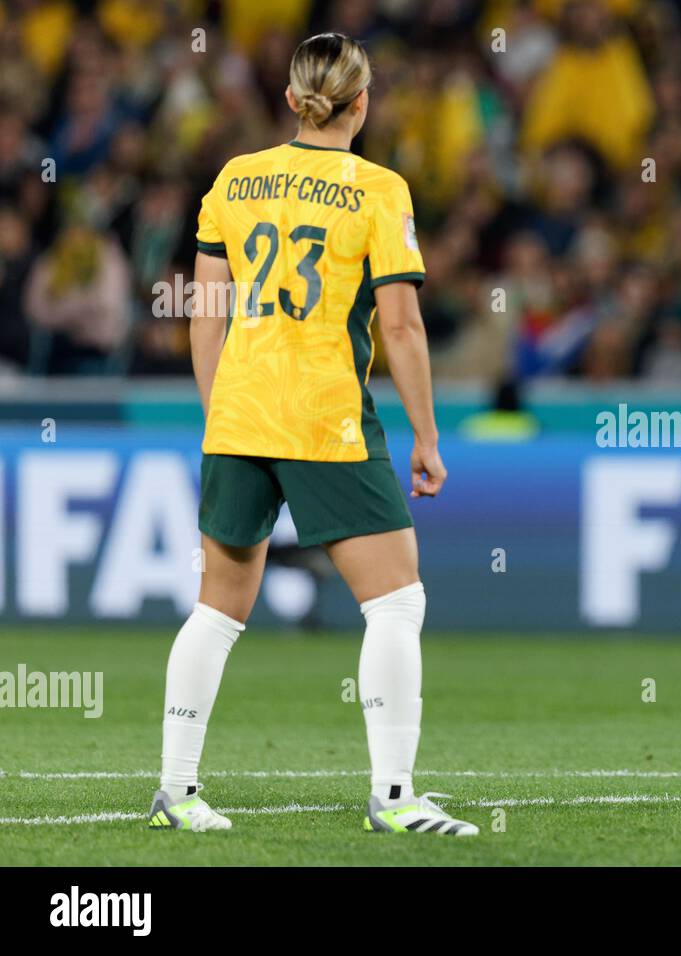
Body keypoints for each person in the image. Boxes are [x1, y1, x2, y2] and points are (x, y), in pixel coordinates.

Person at [148, 33, 478, 835]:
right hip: (325, 414)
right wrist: (428, 437)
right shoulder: (379, 190)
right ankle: (395, 800)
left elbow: (205, 308)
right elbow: (399, 327)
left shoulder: (234, 177)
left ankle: (175, 791)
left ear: (292, 102)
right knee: (397, 603)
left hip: (240, 411)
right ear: (361, 104)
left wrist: (218, 411)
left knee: (217, 612)